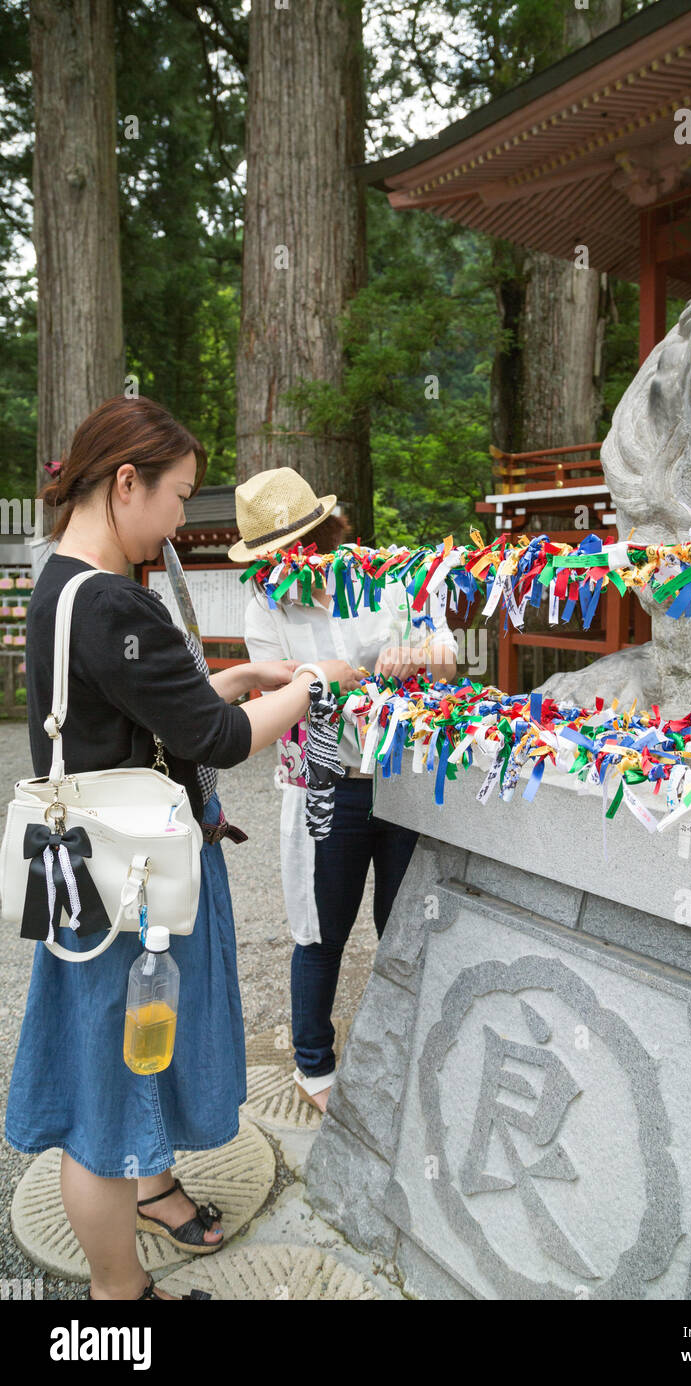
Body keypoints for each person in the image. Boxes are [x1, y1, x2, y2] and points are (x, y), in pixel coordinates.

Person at [3, 397, 360, 1301]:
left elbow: (142, 709)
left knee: (119, 1067)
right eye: (177, 498)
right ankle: (119, 1298)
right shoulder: (117, 601)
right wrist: (315, 682)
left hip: (87, 870)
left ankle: (151, 1192)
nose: (179, 523)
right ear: (126, 484)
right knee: (104, 1107)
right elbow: (221, 741)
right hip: (135, 885)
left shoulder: (61, 584)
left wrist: (237, 677)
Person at [230, 469, 457, 1114]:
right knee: (321, 928)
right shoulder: (265, 604)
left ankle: (408, 1038)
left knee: (403, 918)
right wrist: (353, 673)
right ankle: (313, 1062)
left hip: (403, 777)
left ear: (328, 533)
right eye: (280, 555)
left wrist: (419, 655)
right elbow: (278, 702)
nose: (296, 563)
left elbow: (448, 654)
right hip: (327, 783)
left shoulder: (385, 575)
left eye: (307, 545)